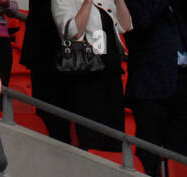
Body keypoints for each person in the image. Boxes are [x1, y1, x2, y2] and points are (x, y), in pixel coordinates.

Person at [124, 0, 187, 177]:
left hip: (183, 84)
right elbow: (140, 22)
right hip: (151, 86)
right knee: (149, 150)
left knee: (183, 155)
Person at [46, 0, 129, 150]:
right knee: (93, 138)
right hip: (87, 75)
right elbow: (72, 32)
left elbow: (126, 26)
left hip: (111, 73)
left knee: (116, 138)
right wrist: (87, 3)